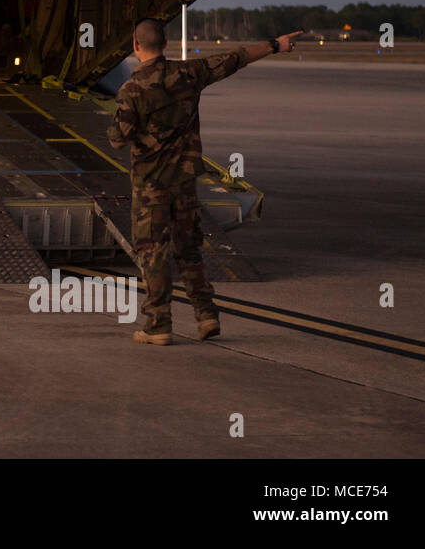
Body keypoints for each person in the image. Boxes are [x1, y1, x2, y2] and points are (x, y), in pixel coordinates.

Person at [106, 19, 304, 345]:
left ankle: (158, 325)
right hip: (184, 183)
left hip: (150, 187)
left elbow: (117, 139)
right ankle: (206, 314)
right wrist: (274, 44)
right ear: (166, 44)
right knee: (188, 251)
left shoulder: (132, 90)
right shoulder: (189, 73)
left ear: (136, 46)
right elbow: (235, 58)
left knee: (152, 252)